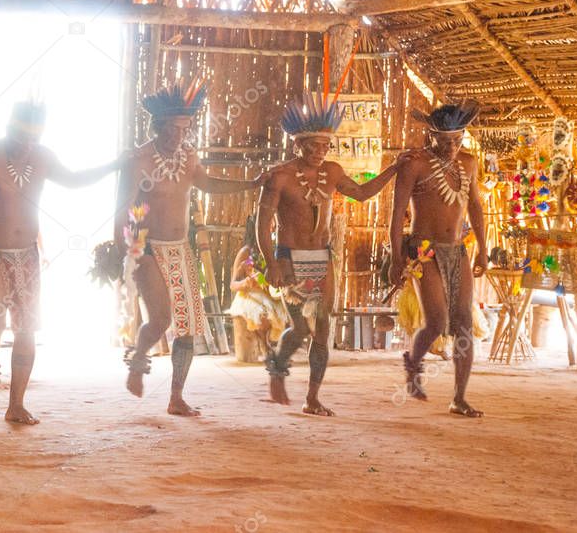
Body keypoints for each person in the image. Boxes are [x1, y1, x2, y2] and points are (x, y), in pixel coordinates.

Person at [0, 100, 119, 425]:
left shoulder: (43, 157)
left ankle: (16, 404)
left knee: (26, 328)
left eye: (31, 137)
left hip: (27, 253)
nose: (24, 143)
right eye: (18, 134)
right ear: (8, 128)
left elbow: (74, 179)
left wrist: (113, 166)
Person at [115, 82, 265, 417]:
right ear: (157, 127)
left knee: (187, 326)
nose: (176, 136)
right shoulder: (138, 160)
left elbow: (208, 184)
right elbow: (123, 208)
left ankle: (176, 397)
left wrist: (250, 184)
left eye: (183, 130)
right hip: (146, 246)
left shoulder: (188, 157)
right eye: (170, 129)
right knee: (161, 319)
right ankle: (139, 359)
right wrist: (124, 251)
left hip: (180, 248)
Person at [258, 93, 407, 416]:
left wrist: (393, 169)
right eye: (313, 146)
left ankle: (312, 398)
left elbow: (364, 194)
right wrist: (271, 263)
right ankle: (277, 367)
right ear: (298, 145)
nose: (319, 152)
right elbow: (263, 223)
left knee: (324, 328)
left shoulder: (334, 172)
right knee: (300, 329)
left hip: (321, 259)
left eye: (325, 147)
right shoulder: (280, 176)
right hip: (290, 258)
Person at [389, 100, 487, 418]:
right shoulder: (414, 164)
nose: (451, 147)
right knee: (436, 321)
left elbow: (474, 207)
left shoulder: (469, 164)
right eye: (445, 142)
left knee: (463, 324)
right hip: (423, 250)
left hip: (457, 250)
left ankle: (459, 397)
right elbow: (394, 217)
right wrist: (395, 257)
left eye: (457, 141)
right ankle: (413, 364)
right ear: (431, 137)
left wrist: (483, 247)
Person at [226, 219, 287, 358]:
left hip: (267, 293)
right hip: (248, 295)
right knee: (262, 312)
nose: (271, 229)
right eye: (268, 226)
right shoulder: (246, 252)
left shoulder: (272, 251)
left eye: (272, 227)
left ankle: (274, 345)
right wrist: (246, 282)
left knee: (285, 310)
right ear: (257, 230)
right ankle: (264, 344)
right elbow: (233, 285)